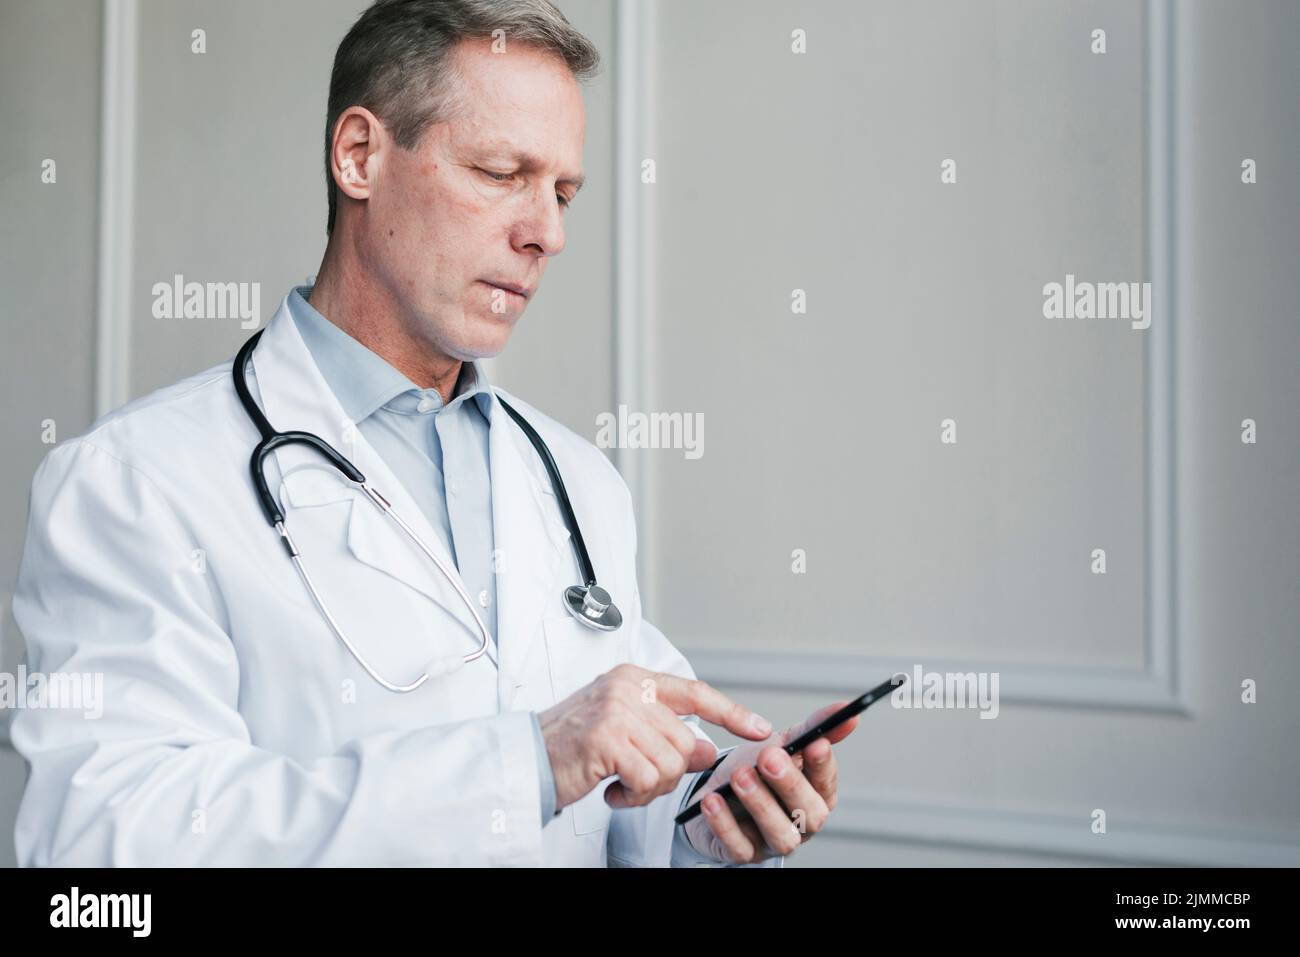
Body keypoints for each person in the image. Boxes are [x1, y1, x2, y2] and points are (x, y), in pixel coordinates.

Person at [10, 0, 855, 867]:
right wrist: (526, 762)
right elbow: (99, 848)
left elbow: (613, 801)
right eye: (499, 172)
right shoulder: (133, 483)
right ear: (359, 156)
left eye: (562, 192)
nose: (548, 234)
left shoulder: (579, 481)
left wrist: (703, 818)